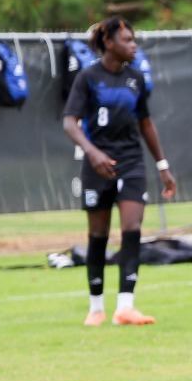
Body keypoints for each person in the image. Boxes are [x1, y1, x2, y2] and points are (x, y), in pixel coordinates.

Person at [61, 16, 176, 326]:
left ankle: (126, 306)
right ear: (109, 43)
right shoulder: (87, 78)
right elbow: (70, 122)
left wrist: (163, 166)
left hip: (131, 162)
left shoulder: (135, 79)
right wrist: (93, 152)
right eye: (127, 40)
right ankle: (96, 307)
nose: (133, 44)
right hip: (98, 165)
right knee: (98, 235)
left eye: (133, 39)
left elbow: (146, 124)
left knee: (132, 228)